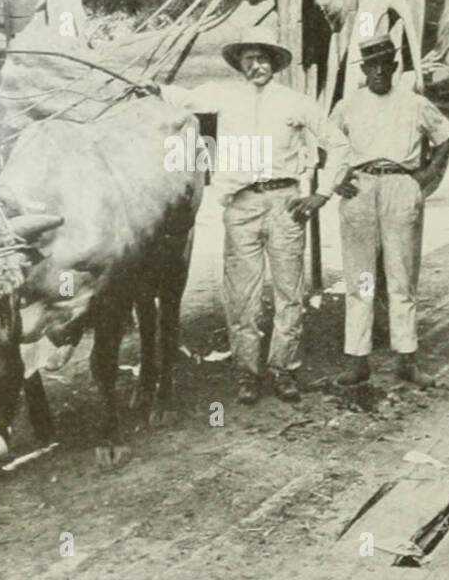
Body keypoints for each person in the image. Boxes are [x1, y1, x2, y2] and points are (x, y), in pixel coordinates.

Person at [144, 24, 352, 405]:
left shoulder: (295, 101)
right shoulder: (221, 96)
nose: (257, 65)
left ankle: (283, 370)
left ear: (274, 62)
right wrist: (150, 86)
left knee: (291, 292)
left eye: (263, 58)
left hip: (285, 203)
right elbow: (179, 97)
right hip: (240, 206)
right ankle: (247, 373)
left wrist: (321, 195)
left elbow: (338, 144)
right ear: (238, 63)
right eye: (249, 58)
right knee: (242, 297)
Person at [330, 35, 449, 389]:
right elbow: (327, 142)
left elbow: (448, 136)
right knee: (360, 282)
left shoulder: (414, 103)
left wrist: (427, 175)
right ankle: (357, 360)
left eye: (386, 64)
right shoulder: (348, 106)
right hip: (360, 188)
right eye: (372, 65)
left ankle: (406, 359)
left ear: (395, 67)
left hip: (401, 185)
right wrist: (336, 178)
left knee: (402, 279)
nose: (379, 71)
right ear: (364, 68)